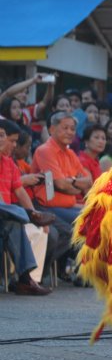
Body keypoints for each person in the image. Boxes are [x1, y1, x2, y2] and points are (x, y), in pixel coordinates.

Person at [0, 120, 58, 295]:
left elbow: (20, 192)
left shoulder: (8, 162)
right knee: (13, 216)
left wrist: (35, 212)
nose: (14, 145)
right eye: (10, 140)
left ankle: (25, 281)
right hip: (7, 210)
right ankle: (27, 214)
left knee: (15, 224)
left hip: (5, 216)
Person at [31, 113, 92, 273]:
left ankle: (84, 272)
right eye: (65, 128)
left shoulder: (70, 153)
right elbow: (59, 184)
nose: (70, 132)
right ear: (52, 129)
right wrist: (74, 184)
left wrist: (71, 182)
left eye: (72, 129)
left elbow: (88, 181)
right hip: (46, 206)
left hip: (68, 205)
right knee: (77, 228)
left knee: (98, 215)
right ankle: (39, 272)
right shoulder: (45, 151)